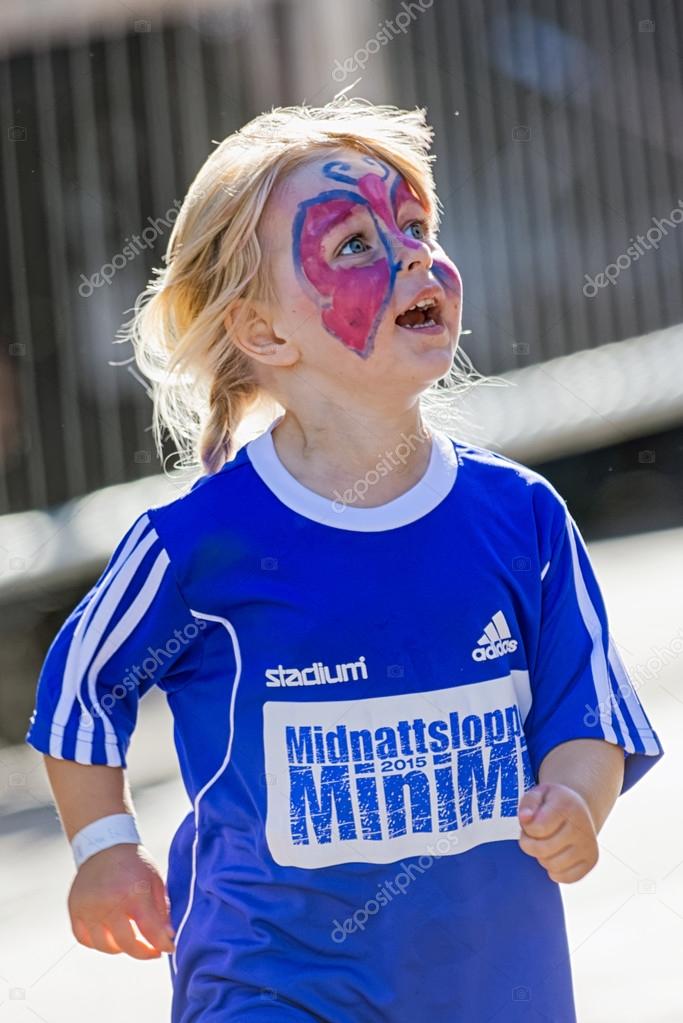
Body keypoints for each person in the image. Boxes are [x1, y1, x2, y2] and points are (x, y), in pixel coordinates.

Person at [26, 98, 664, 1022]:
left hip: (491, 985)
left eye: (415, 226)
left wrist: (575, 797)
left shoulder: (520, 517)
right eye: (355, 245)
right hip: (272, 983)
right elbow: (82, 690)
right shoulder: (199, 542)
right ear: (264, 333)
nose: (413, 257)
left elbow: (589, 711)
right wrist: (104, 847)